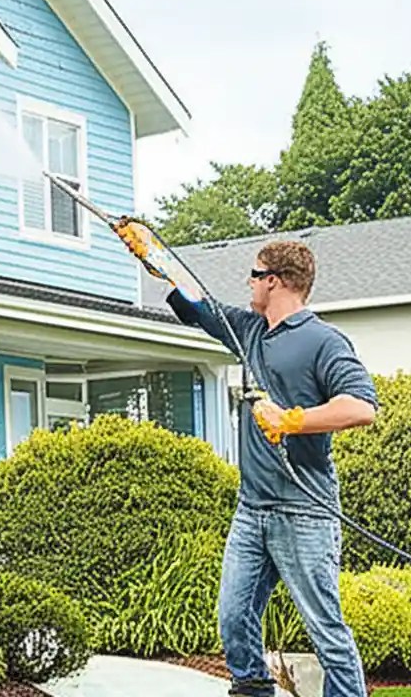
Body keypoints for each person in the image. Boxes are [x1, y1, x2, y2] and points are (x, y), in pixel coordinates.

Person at [162, 240, 379, 697]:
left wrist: (293, 419)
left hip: (305, 511)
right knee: (233, 614)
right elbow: (200, 306)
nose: (249, 283)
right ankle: (253, 690)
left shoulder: (323, 341)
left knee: (325, 630)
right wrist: (153, 257)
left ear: (273, 281)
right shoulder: (249, 331)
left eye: (254, 275)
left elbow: (360, 406)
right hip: (252, 509)